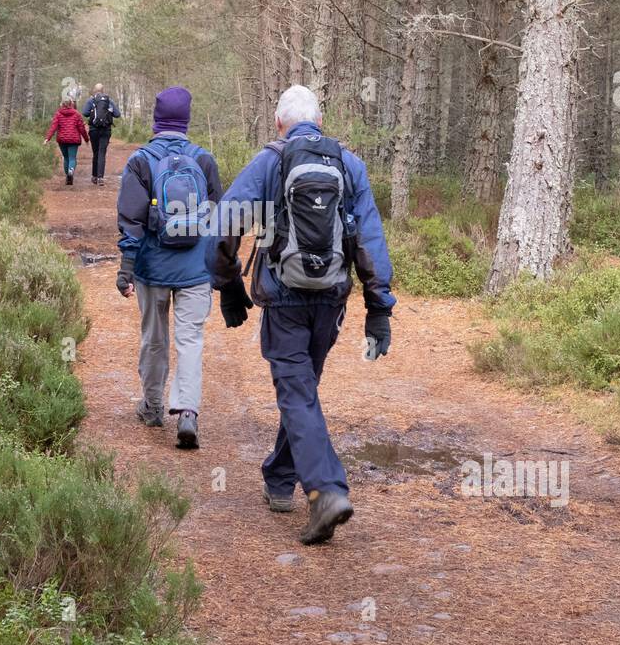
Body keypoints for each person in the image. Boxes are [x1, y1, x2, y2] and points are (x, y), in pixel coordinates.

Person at [209, 84, 395, 545]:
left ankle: (326, 491)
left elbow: (225, 225)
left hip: (286, 300)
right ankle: (278, 478)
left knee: (296, 395)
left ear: (279, 123)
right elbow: (369, 240)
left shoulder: (270, 161)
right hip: (330, 302)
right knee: (302, 391)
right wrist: (379, 309)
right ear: (320, 120)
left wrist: (229, 283)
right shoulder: (349, 165)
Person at [115, 86, 222, 450]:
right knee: (190, 340)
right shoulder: (204, 160)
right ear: (187, 120)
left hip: (152, 269)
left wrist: (126, 269)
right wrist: (220, 268)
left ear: (156, 119)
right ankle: (188, 412)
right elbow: (218, 217)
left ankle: (153, 406)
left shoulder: (141, 161)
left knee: (154, 338)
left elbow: (131, 221)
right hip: (195, 270)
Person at [82, 83, 121, 186]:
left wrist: (92, 111)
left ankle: (94, 176)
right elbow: (117, 114)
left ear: (95, 90)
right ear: (103, 90)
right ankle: (100, 178)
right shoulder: (109, 101)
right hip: (106, 130)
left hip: (94, 130)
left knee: (95, 153)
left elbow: (84, 113)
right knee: (102, 153)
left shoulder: (91, 100)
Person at [44, 98, 89, 186]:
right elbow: (81, 128)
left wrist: (47, 138)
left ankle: (68, 176)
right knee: (72, 158)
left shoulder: (58, 114)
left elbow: (53, 127)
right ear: (71, 104)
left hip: (62, 140)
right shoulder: (77, 114)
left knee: (66, 158)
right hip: (73, 139)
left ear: (62, 104)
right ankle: (71, 171)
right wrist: (86, 139)